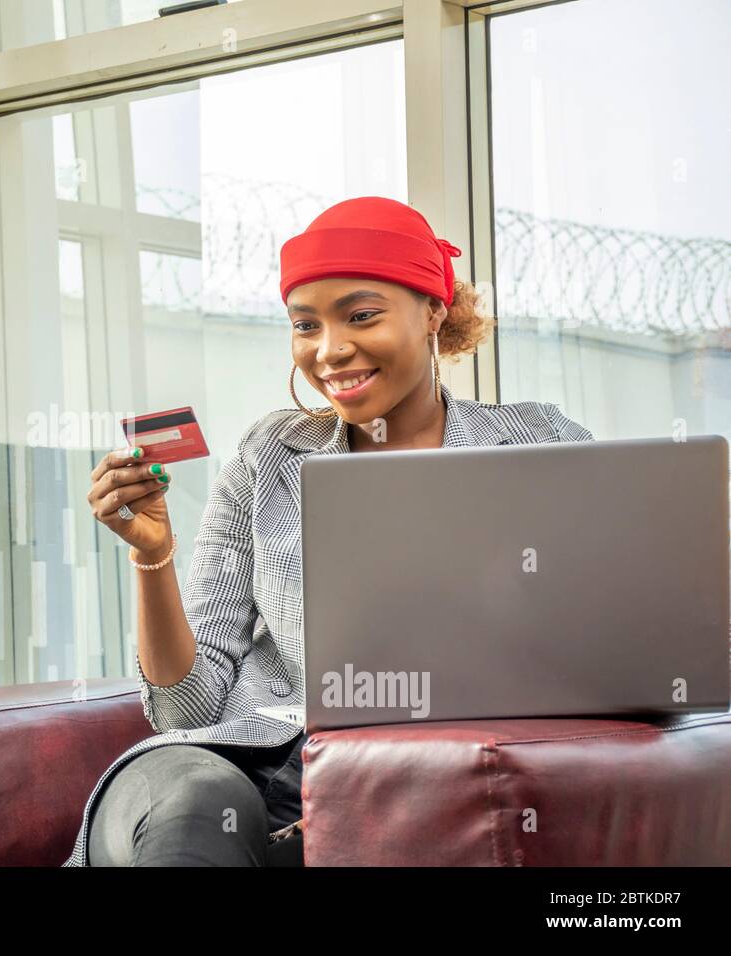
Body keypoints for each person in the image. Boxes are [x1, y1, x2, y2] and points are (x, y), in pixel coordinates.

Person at [61, 195, 595, 867]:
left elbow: (603, 641)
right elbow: (186, 714)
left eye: (361, 316)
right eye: (304, 325)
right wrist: (155, 558)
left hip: (390, 783)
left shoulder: (537, 445)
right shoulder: (268, 456)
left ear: (434, 310)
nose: (329, 349)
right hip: (231, 768)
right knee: (198, 807)